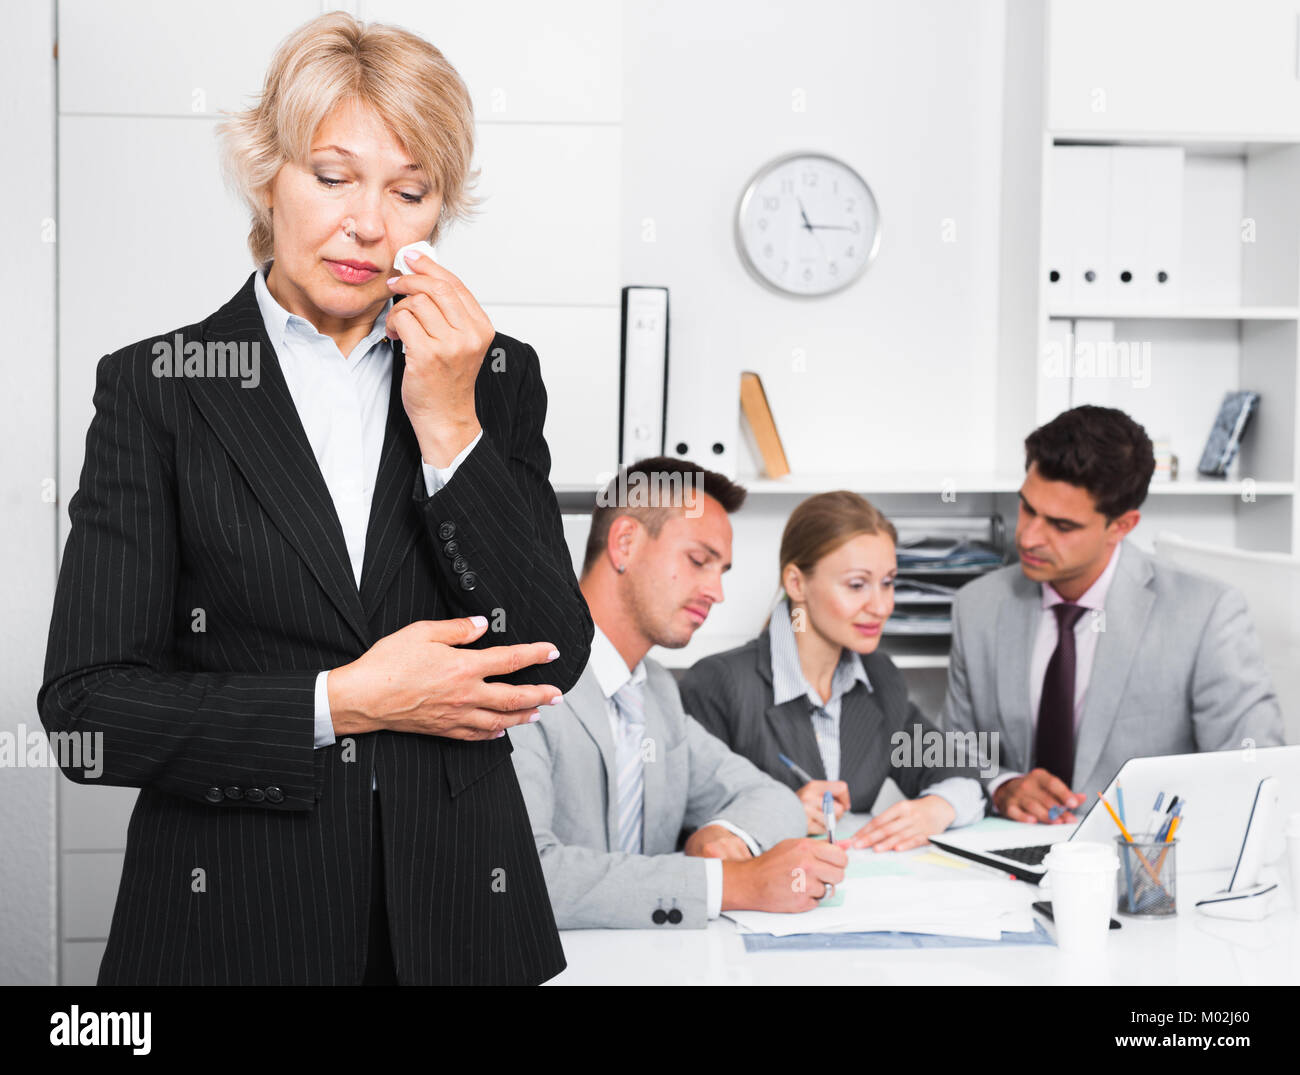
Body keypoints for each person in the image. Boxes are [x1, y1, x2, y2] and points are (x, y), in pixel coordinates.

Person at [37, 12, 592, 985]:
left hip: (459, 935)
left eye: (409, 190)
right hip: (234, 931)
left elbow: (549, 650)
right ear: (266, 175)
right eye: (333, 176)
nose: (369, 222)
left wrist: (452, 424)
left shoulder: (492, 376)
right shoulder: (159, 387)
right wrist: (343, 703)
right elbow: (90, 713)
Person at [509, 458, 844, 929]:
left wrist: (724, 835)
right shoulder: (520, 677)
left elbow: (773, 798)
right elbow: (527, 875)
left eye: (722, 570)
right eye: (698, 560)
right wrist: (734, 882)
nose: (717, 591)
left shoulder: (659, 692)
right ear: (624, 543)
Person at [939, 405, 1283, 822]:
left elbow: (1250, 774)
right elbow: (954, 746)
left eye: (1062, 526)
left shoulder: (1207, 615)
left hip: (1146, 865)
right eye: (1027, 508)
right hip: (1009, 854)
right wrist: (1003, 785)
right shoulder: (978, 605)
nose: (1028, 536)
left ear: (1122, 526)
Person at [679, 491, 986, 853]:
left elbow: (960, 772)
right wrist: (779, 813)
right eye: (857, 585)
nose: (881, 606)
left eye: (888, 582)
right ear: (797, 584)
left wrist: (937, 808)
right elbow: (683, 829)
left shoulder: (879, 677)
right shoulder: (720, 683)